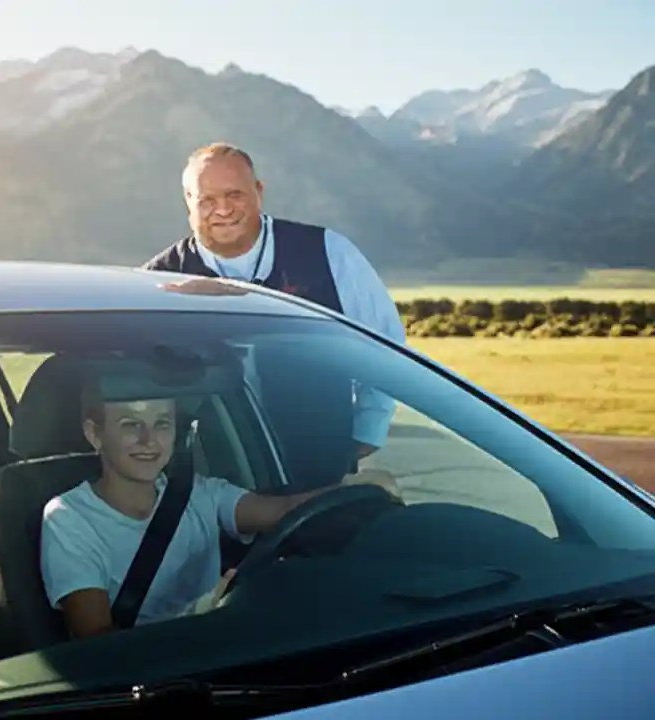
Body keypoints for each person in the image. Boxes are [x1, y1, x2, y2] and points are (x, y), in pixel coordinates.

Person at [40, 379, 400, 640]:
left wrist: (355, 489)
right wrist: (196, 616)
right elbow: (95, 647)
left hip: (228, 655)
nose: (149, 440)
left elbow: (284, 511)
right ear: (95, 434)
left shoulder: (197, 494)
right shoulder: (69, 520)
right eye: (130, 424)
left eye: (162, 424)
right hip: (151, 684)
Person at [144, 142, 406, 458]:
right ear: (188, 203)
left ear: (259, 190)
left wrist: (365, 435)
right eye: (207, 200)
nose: (224, 210)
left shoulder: (329, 253)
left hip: (319, 452)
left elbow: (384, 345)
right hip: (201, 470)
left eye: (235, 195)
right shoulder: (156, 282)